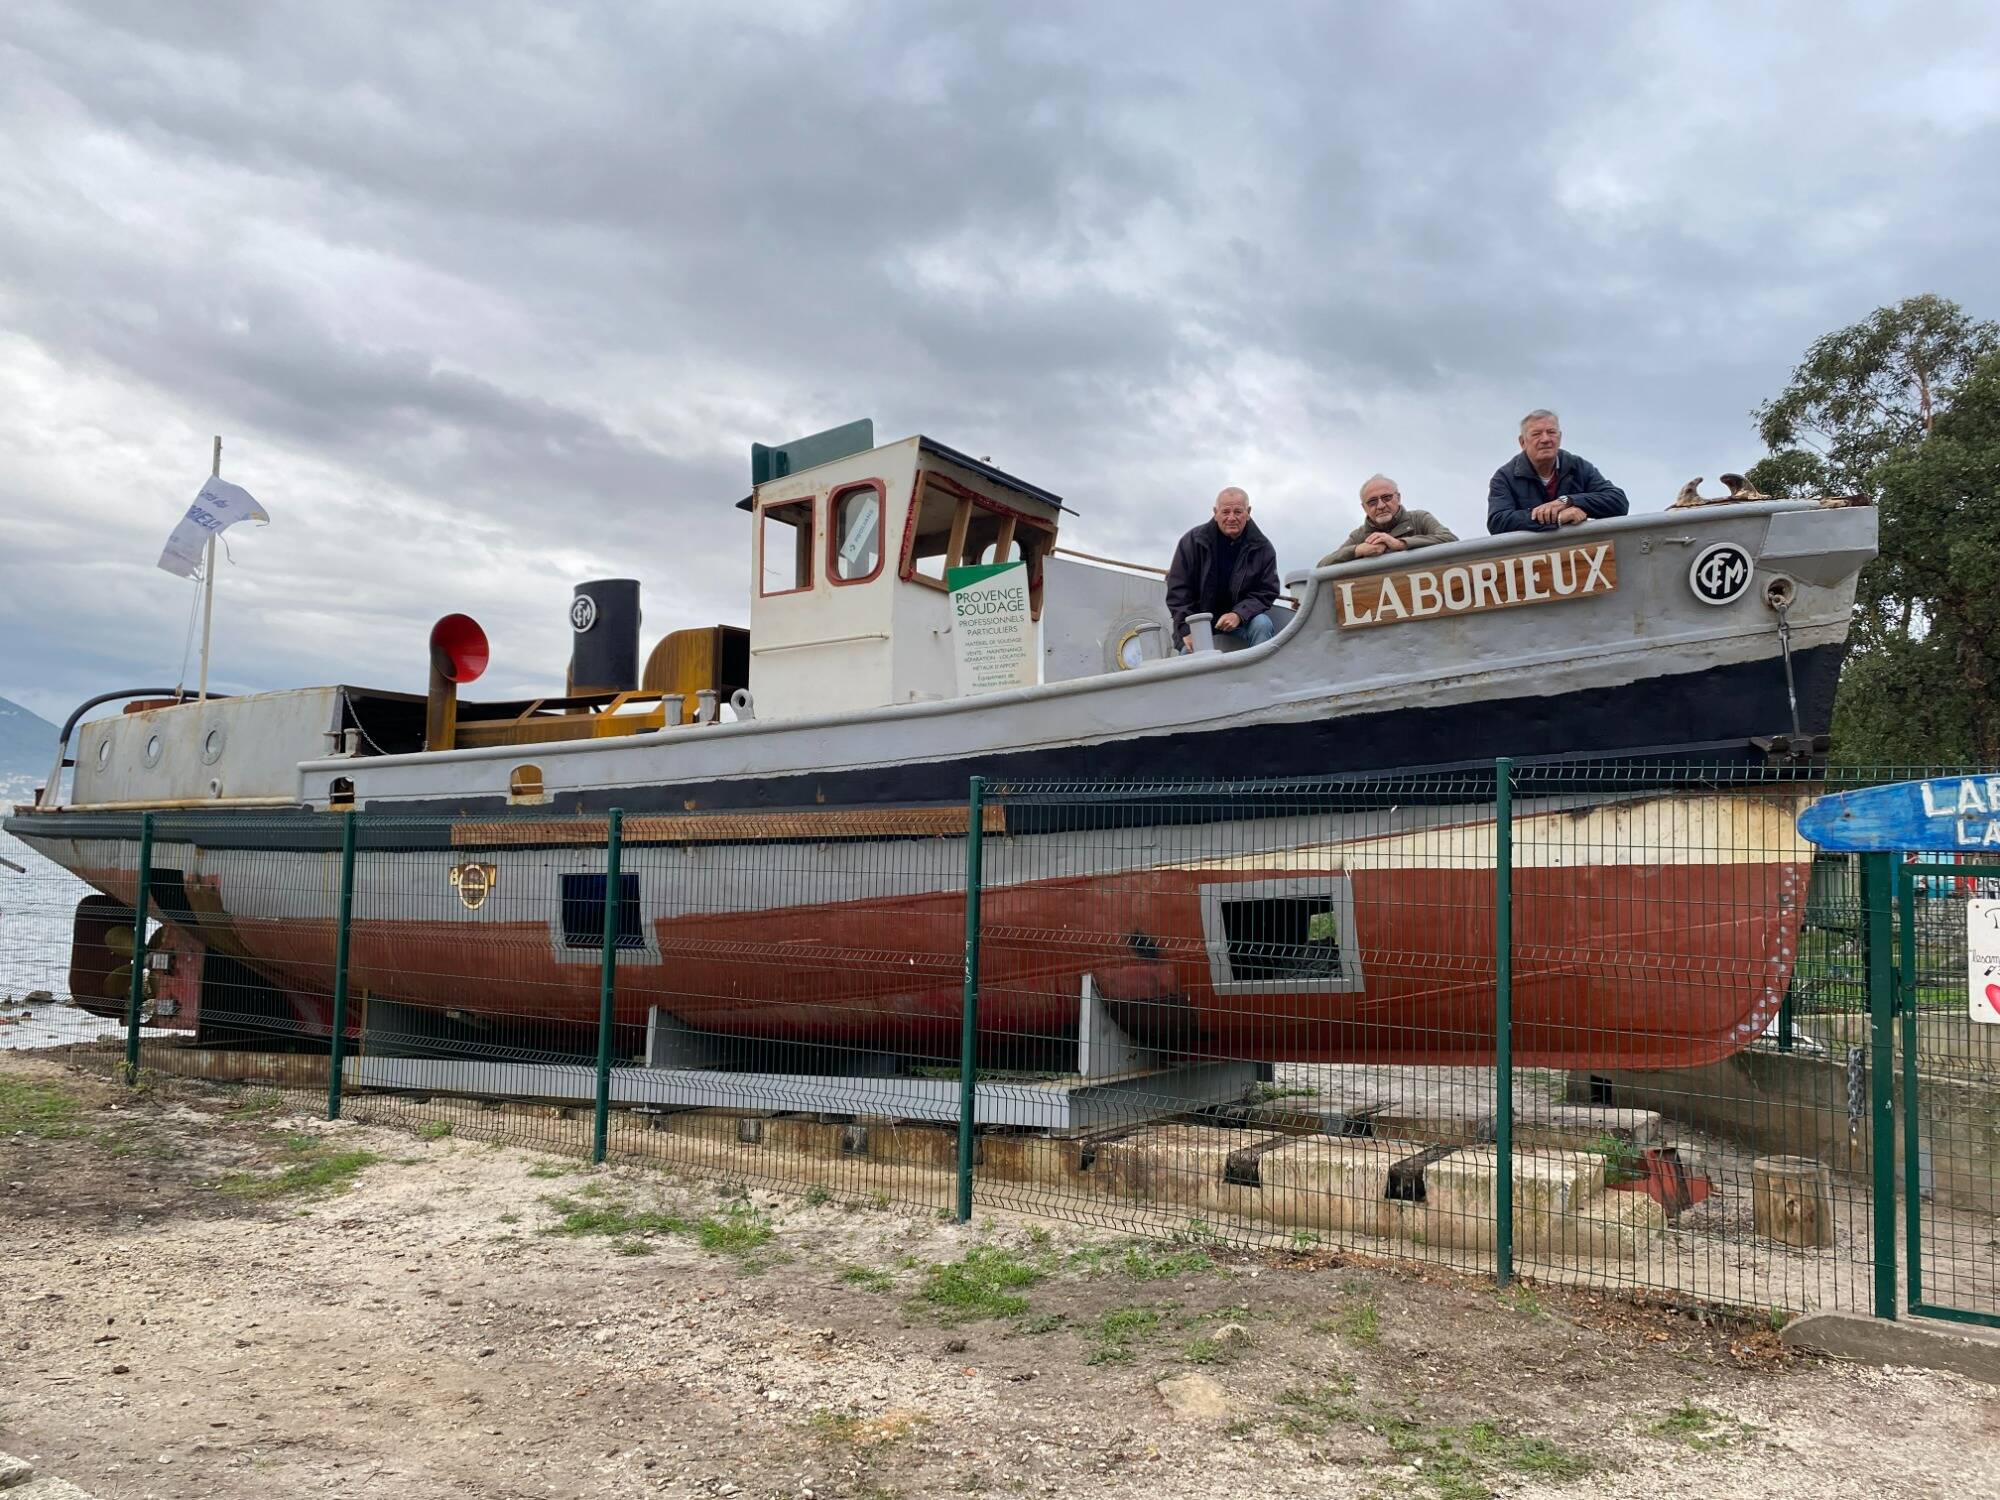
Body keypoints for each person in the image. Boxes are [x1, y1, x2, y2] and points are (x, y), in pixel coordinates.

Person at [1165, 486, 1280, 651]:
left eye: (1238, 512)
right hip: (1197, 622)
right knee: (1187, 651)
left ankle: (1258, 675)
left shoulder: (1263, 548)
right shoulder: (1192, 542)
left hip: (1241, 622)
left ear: (1248, 512)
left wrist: (1239, 615)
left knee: (1262, 624)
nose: (1232, 518)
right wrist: (1186, 628)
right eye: (1226, 512)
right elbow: (1178, 589)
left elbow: (1266, 591)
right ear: (1215, 512)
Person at [1486, 409, 1628, 535]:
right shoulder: (1504, 477)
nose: (1545, 439)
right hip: (1531, 558)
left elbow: (1618, 502)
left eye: (1551, 432)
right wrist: (1558, 518)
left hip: (1579, 557)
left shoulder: (1578, 466)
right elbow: (1498, 522)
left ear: (1559, 438)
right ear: (1522, 442)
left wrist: (1569, 501)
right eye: (1536, 434)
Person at [1318, 474, 1457, 566]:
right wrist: (1358, 550)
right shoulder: (1359, 536)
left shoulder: (1419, 518)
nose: (1381, 506)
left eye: (1386, 498)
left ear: (1398, 498)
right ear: (1364, 508)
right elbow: (1322, 566)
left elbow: (1450, 540)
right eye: (1372, 502)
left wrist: (1401, 544)